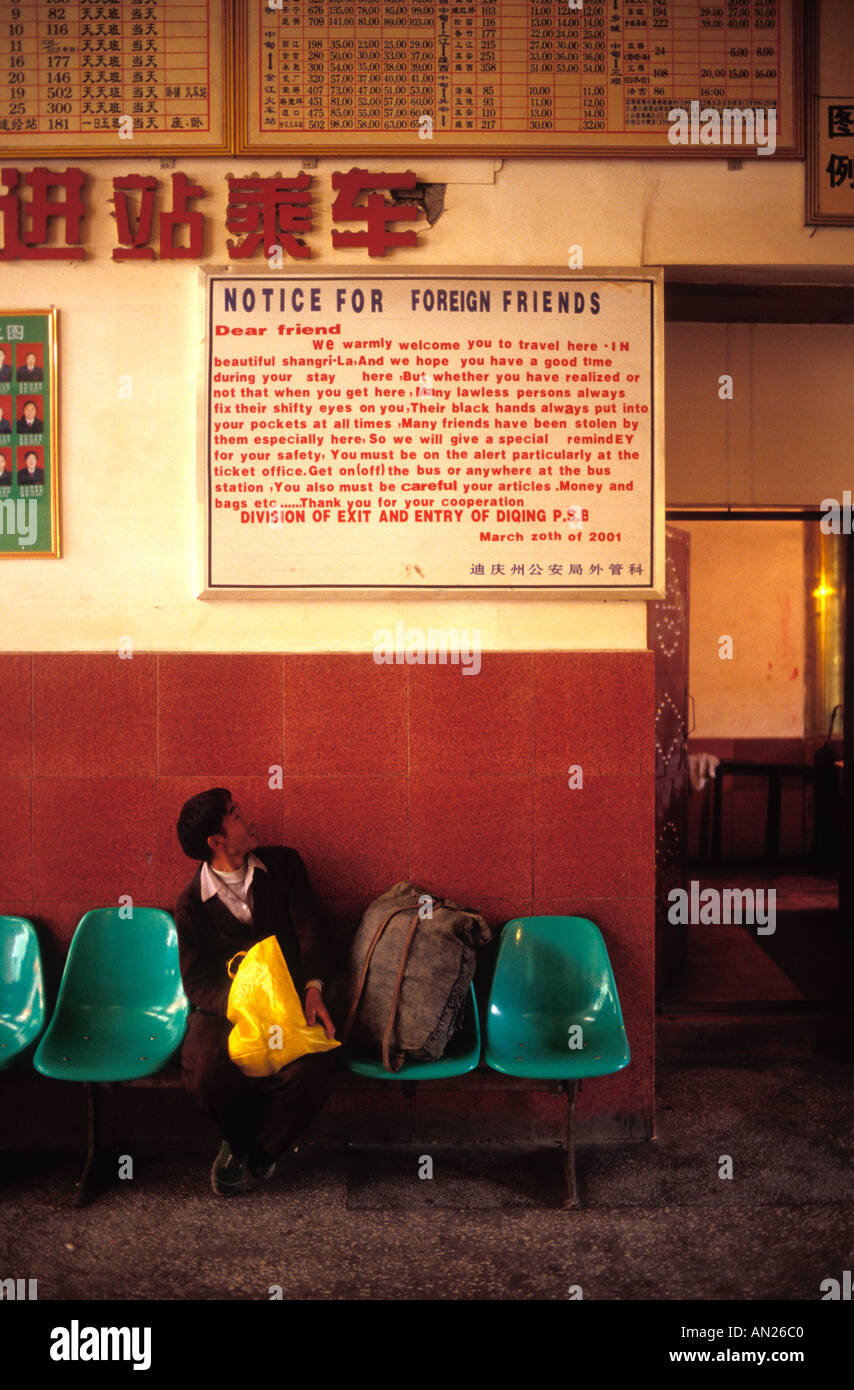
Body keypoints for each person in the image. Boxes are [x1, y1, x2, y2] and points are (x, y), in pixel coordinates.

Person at [175, 788, 338, 1196]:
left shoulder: (284, 864)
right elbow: (196, 982)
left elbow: (310, 930)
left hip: (292, 998)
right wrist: (239, 1006)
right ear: (217, 841)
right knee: (206, 1072)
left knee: (315, 1066)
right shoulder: (192, 903)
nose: (248, 819)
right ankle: (237, 1142)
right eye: (235, 814)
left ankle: (264, 1151)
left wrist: (313, 990)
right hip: (227, 1011)